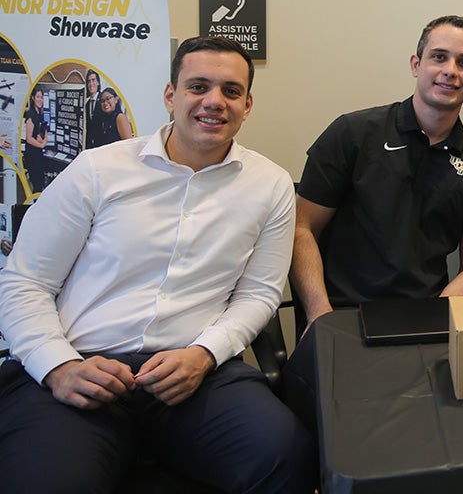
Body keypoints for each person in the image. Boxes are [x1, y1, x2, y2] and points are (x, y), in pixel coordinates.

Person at [0, 36, 315, 493]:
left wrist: (204, 354)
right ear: (171, 95)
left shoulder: (270, 186)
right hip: (83, 369)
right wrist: (58, 367)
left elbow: (258, 294)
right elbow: (25, 280)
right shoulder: (96, 170)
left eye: (230, 91)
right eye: (198, 86)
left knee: (286, 457)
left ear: (247, 105)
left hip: (194, 374)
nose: (214, 102)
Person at [291, 15, 463, 332]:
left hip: (427, 317)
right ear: (416, 64)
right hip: (342, 316)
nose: (450, 71)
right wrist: (320, 314)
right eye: (439, 57)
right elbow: (300, 227)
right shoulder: (353, 134)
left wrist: (436, 316)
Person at [22, 87, 48, 194]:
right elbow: (29, 139)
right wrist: (41, 145)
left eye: (41, 97)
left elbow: (45, 134)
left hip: (39, 155)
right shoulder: (30, 115)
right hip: (32, 156)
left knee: (41, 183)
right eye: (38, 97)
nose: (40, 100)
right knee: (37, 186)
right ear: (33, 98)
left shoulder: (40, 114)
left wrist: (43, 141)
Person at [83, 68, 102, 149]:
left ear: (97, 82)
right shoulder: (87, 104)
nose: (91, 84)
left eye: (93, 80)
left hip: (102, 147)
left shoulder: (103, 101)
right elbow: (89, 129)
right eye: (89, 81)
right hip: (91, 147)